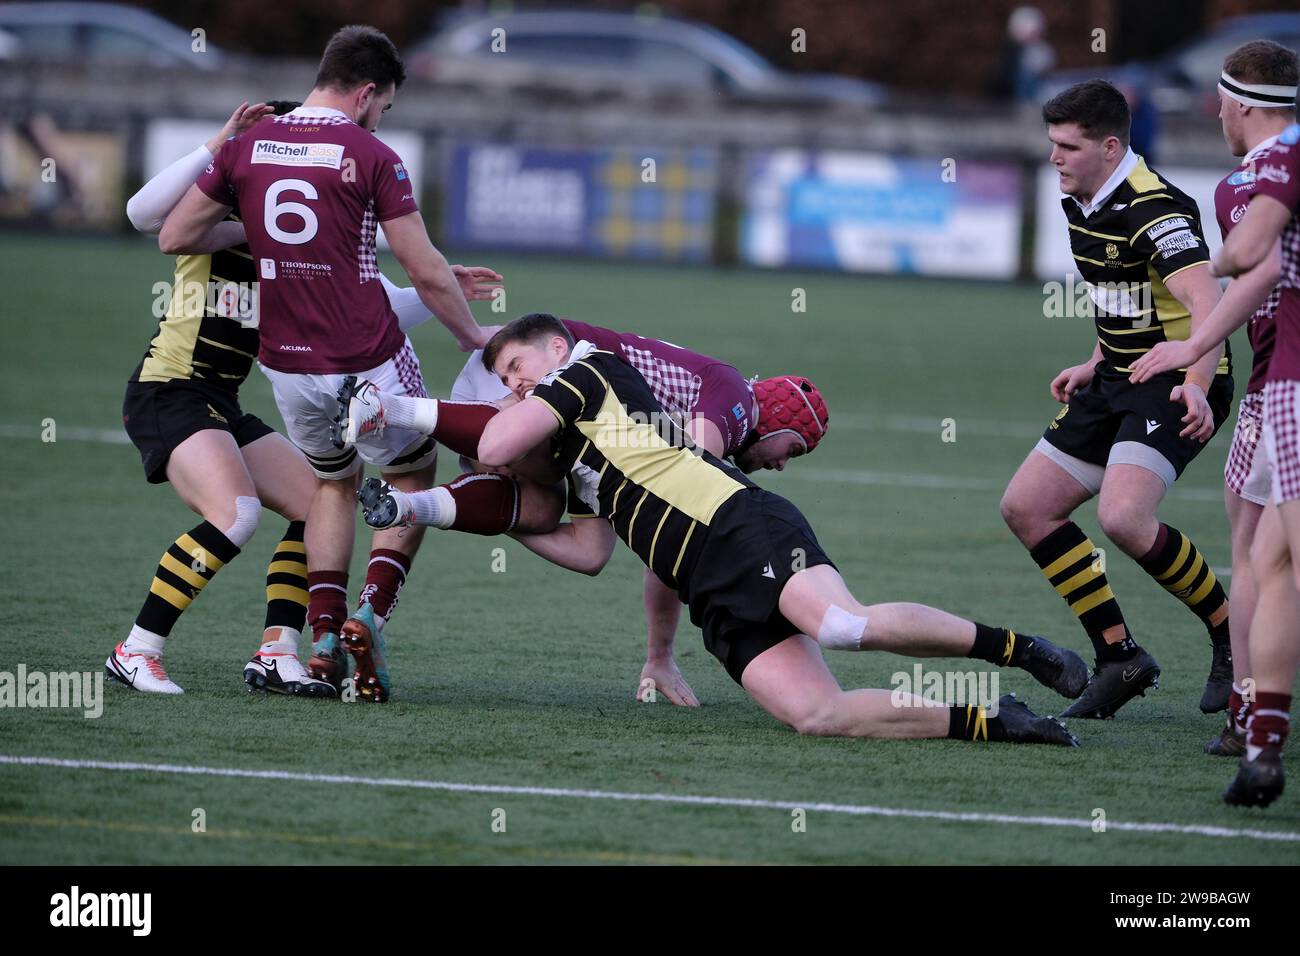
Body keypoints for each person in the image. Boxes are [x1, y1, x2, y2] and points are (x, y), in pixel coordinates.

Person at [347, 314, 1086, 745]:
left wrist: (397, 409)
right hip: (711, 589)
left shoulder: (587, 371)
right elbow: (583, 550)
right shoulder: (583, 451)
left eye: (515, 366)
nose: (510, 382)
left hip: (739, 528)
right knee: (818, 716)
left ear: (552, 349)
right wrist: (438, 510)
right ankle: (995, 719)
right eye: (501, 375)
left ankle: (1020, 649)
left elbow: (502, 445)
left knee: (839, 626)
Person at [158, 26, 496, 703]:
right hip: (365, 357)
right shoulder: (373, 154)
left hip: (287, 366)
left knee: (333, 487)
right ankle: (368, 613)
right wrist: (472, 336)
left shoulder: (248, 148)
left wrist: (251, 228)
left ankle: (319, 642)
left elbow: (174, 233)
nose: (382, 117)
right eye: (386, 105)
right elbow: (424, 269)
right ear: (367, 92)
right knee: (412, 470)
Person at [378, 307, 828, 706]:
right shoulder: (738, 404)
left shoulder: (698, 402)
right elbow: (683, 496)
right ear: (780, 417)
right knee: (505, 452)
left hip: (576, 423)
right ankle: (381, 406)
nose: (783, 464)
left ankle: (407, 510)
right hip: (535, 376)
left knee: (552, 523)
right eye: (793, 448)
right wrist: (661, 654)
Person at [999, 79, 1234, 720]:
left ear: (1109, 147)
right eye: (1050, 144)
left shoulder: (1155, 209)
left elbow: (1207, 304)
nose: (1054, 158)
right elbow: (1128, 299)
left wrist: (1193, 381)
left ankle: (1231, 628)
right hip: (1119, 377)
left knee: (1124, 519)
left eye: (1067, 147)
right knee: (1027, 508)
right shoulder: (1085, 196)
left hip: (1182, 377)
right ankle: (1120, 655)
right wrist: (1096, 359)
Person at [111, 99, 336, 697]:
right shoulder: (218, 208)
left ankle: (276, 652)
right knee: (236, 515)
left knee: (320, 506)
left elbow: (376, 297)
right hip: (171, 389)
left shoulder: (293, 227)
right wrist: (219, 141)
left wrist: (445, 290)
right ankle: (136, 650)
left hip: (220, 400)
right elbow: (142, 214)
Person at [1131, 56, 1300, 808]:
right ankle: (1258, 736)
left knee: (1270, 560)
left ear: (1238, 105)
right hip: (1272, 382)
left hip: (1285, 383)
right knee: (1270, 560)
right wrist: (1196, 345)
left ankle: (1252, 727)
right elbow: (1260, 275)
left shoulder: (1262, 172)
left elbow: (1250, 256)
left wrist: (1208, 277)